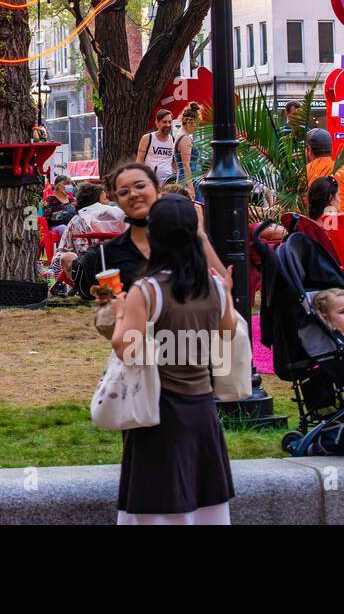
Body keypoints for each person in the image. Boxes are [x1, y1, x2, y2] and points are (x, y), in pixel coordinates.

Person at [100, 194, 237, 524]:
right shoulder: (213, 287)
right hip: (203, 409)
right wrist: (228, 291)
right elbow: (228, 331)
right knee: (205, 506)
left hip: (159, 414)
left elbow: (125, 347)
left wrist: (120, 314)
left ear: (152, 235)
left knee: (158, 509)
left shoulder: (146, 290)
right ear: (195, 234)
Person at [73, 161, 231, 300]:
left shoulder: (187, 240)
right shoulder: (105, 254)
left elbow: (225, 286)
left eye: (140, 185)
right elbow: (108, 316)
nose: (133, 194)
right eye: (123, 192)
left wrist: (200, 234)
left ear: (157, 189)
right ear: (117, 201)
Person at [48, 181, 125, 293]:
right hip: (91, 265)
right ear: (96, 200)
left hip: (93, 267)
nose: (108, 201)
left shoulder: (82, 219)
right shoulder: (82, 220)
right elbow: (82, 252)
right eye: (105, 198)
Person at [304, 127, 344, 213]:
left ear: (309, 150)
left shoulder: (302, 174)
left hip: (313, 225)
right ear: (331, 149)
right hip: (342, 225)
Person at [137, 109, 190, 186]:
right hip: (150, 182)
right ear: (157, 123)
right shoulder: (148, 138)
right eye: (164, 122)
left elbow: (174, 162)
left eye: (170, 122)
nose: (168, 125)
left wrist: (181, 175)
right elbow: (139, 160)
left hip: (168, 182)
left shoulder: (173, 140)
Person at [176, 102, 204, 199]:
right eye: (196, 124)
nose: (197, 128)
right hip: (190, 182)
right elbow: (185, 164)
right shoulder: (185, 138)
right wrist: (191, 189)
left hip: (187, 180)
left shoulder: (180, 135)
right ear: (189, 122)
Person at [43, 175, 76, 241]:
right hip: (55, 226)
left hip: (71, 226)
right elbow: (47, 217)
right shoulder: (50, 199)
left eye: (71, 183)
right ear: (60, 186)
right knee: (63, 228)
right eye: (68, 183)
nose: (70, 186)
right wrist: (67, 209)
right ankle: (70, 248)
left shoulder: (72, 200)